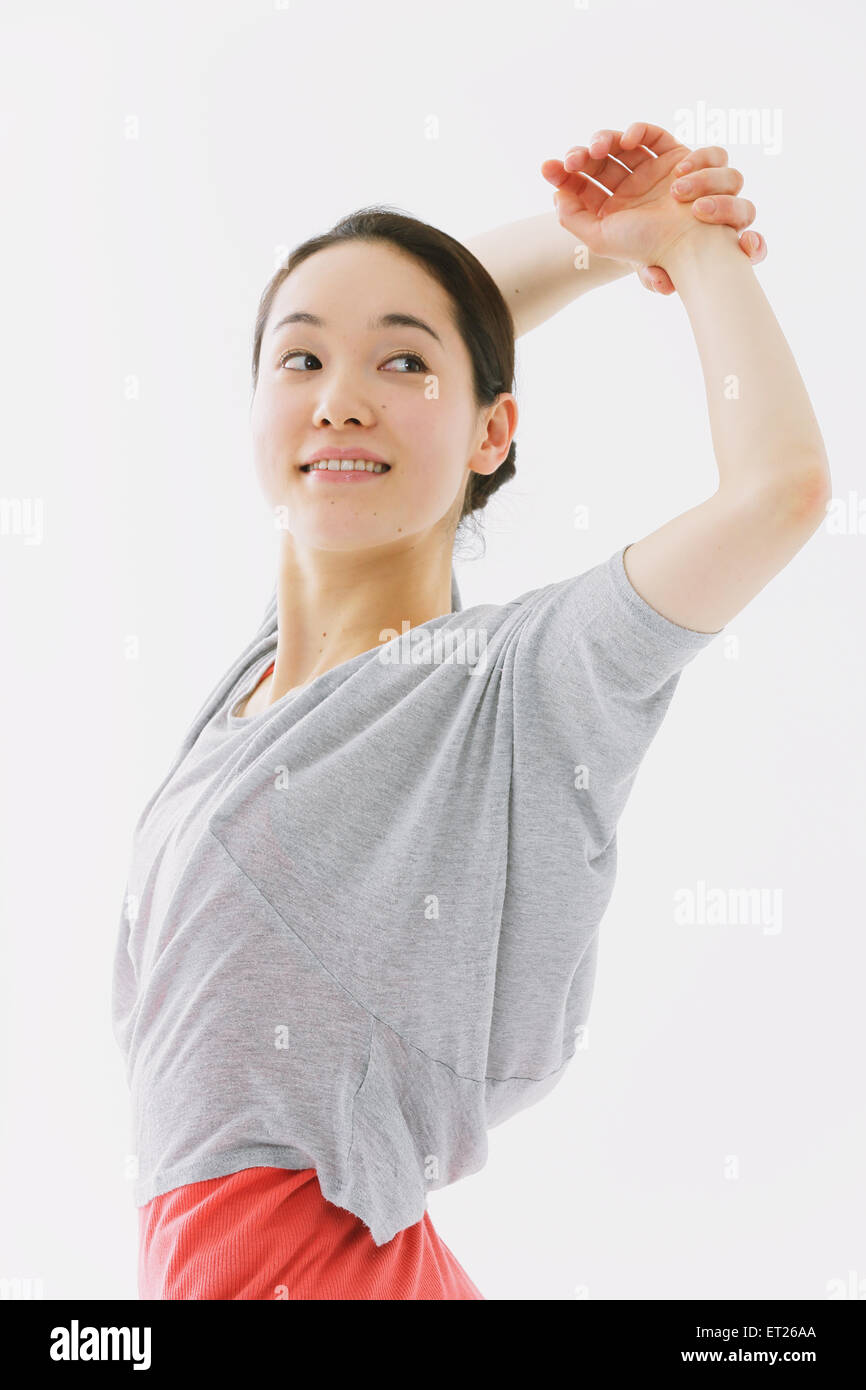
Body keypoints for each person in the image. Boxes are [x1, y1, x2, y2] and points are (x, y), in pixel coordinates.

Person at [112, 120, 828, 1300]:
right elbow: (422, 309)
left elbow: (777, 493)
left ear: (493, 429)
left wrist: (691, 247)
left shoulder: (516, 679)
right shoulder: (248, 690)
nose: (342, 399)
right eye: (299, 363)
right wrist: (593, 236)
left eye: (402, 368)